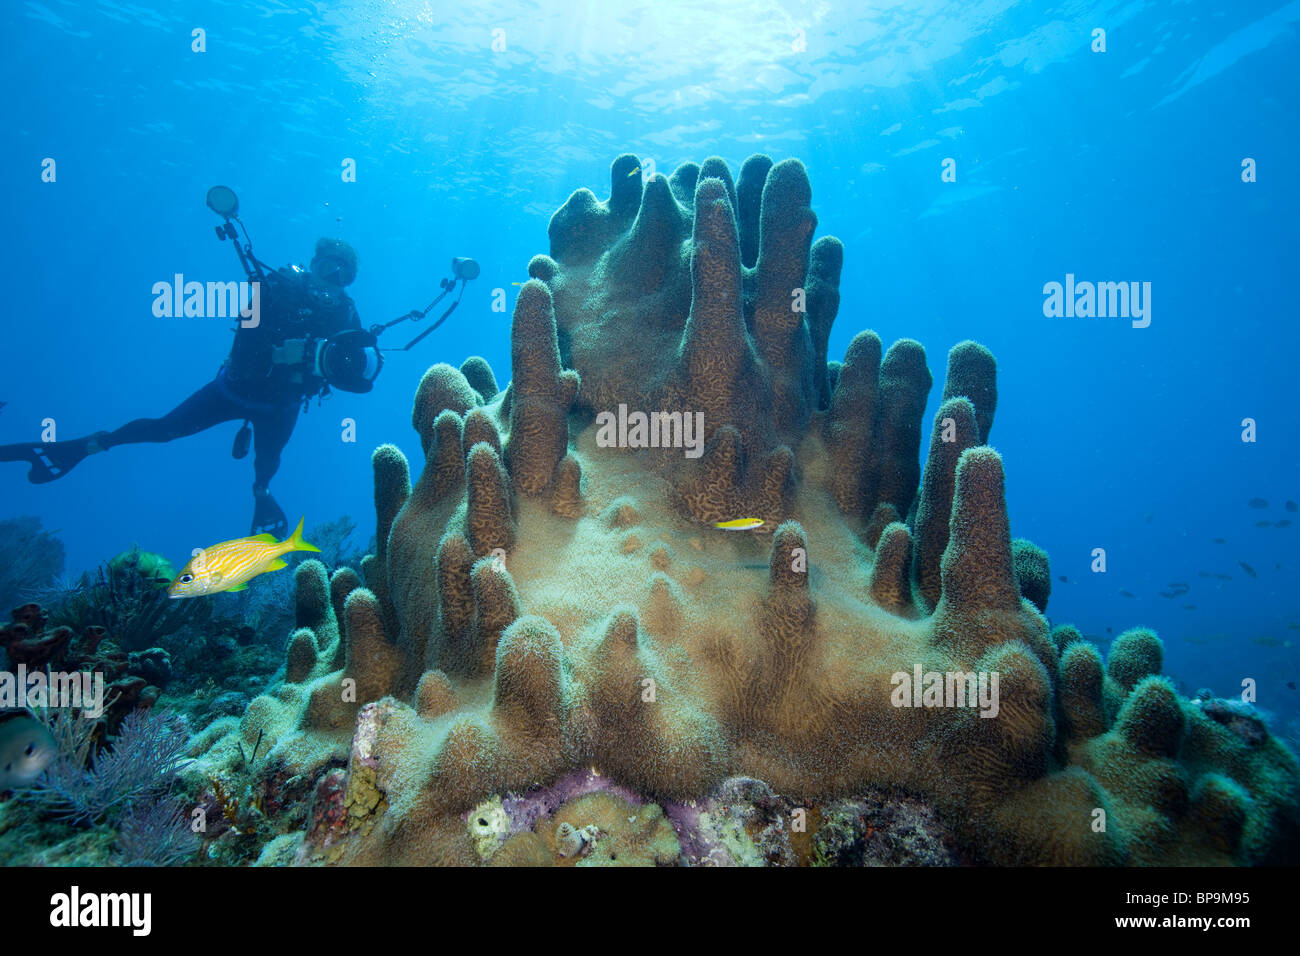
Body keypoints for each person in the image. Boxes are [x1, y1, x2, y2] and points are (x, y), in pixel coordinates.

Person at [0, 238, 376, 538]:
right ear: (312, 265)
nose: (330, 279)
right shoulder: (275, 290)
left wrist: (331, 363)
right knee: (164, 430)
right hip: (233, 390)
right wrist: (280, 355)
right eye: (325, 266)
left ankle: (261, 495)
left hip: (281, 407)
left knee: (267, 463)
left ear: (347, 282)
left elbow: (351, 374)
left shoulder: (345, 316)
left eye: (341, 275)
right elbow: (244, 341)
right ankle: (88, 445)